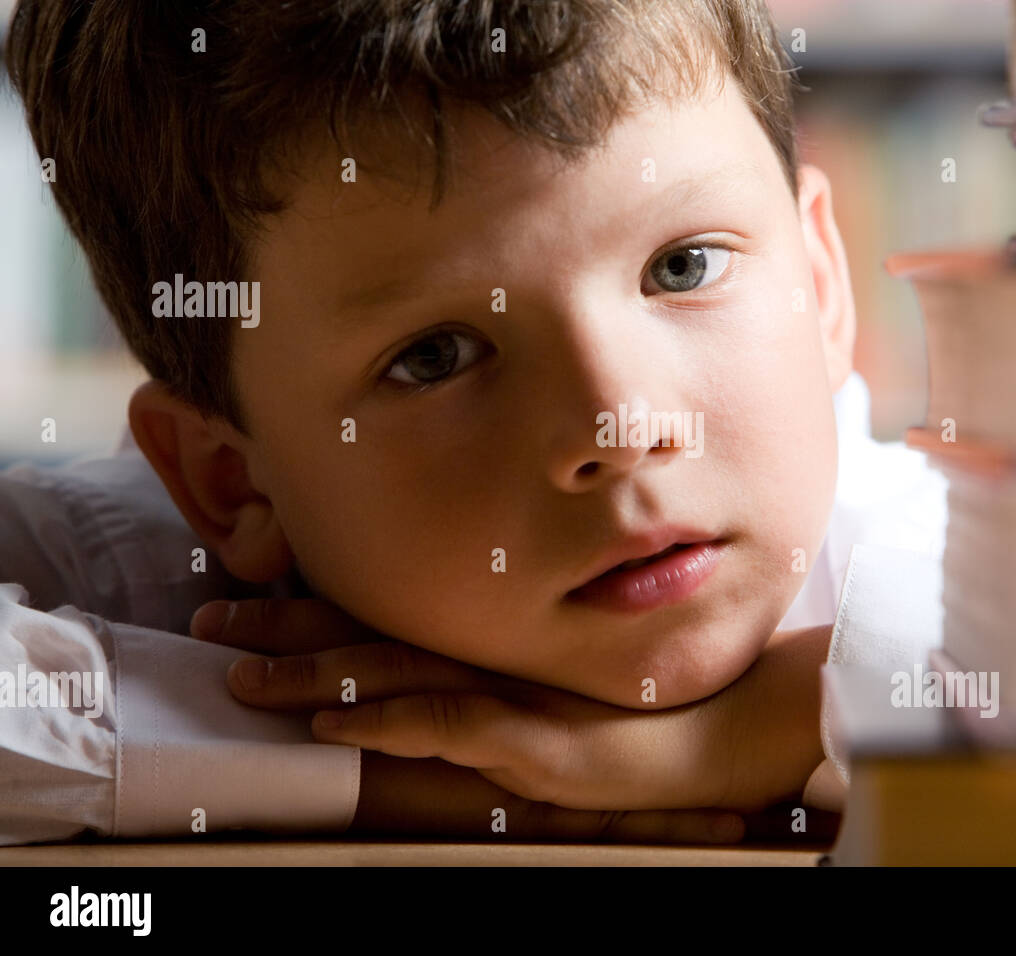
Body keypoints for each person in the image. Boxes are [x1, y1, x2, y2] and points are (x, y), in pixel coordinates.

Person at [0, 0, 946, 846]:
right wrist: (388, 769)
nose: (619, 429)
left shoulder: (955, 549)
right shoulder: (155, 571)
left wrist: (748, 729)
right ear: (230, 481)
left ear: (822, 284)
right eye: (435, 357)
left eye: (684, 266)